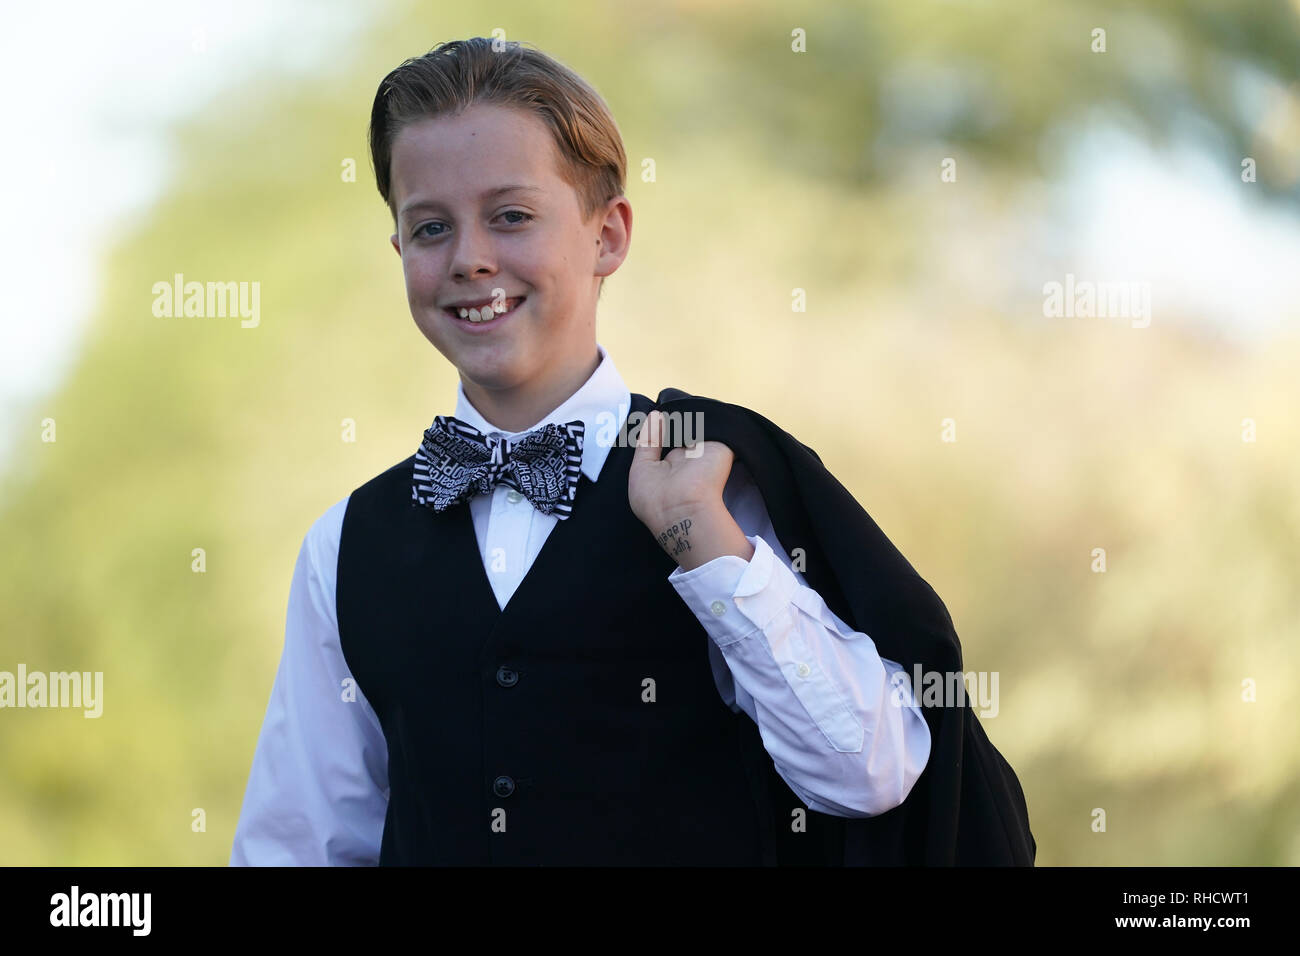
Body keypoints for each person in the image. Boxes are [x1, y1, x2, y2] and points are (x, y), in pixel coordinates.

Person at [229, 37, 947, 866]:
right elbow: (302, 845)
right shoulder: (343, 546)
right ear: (400, 253)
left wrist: (700, 540)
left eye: (511, 216)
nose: (470, 258)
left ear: (607, 236)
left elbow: (868, 773)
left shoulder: (718, 484)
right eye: (431, 228)